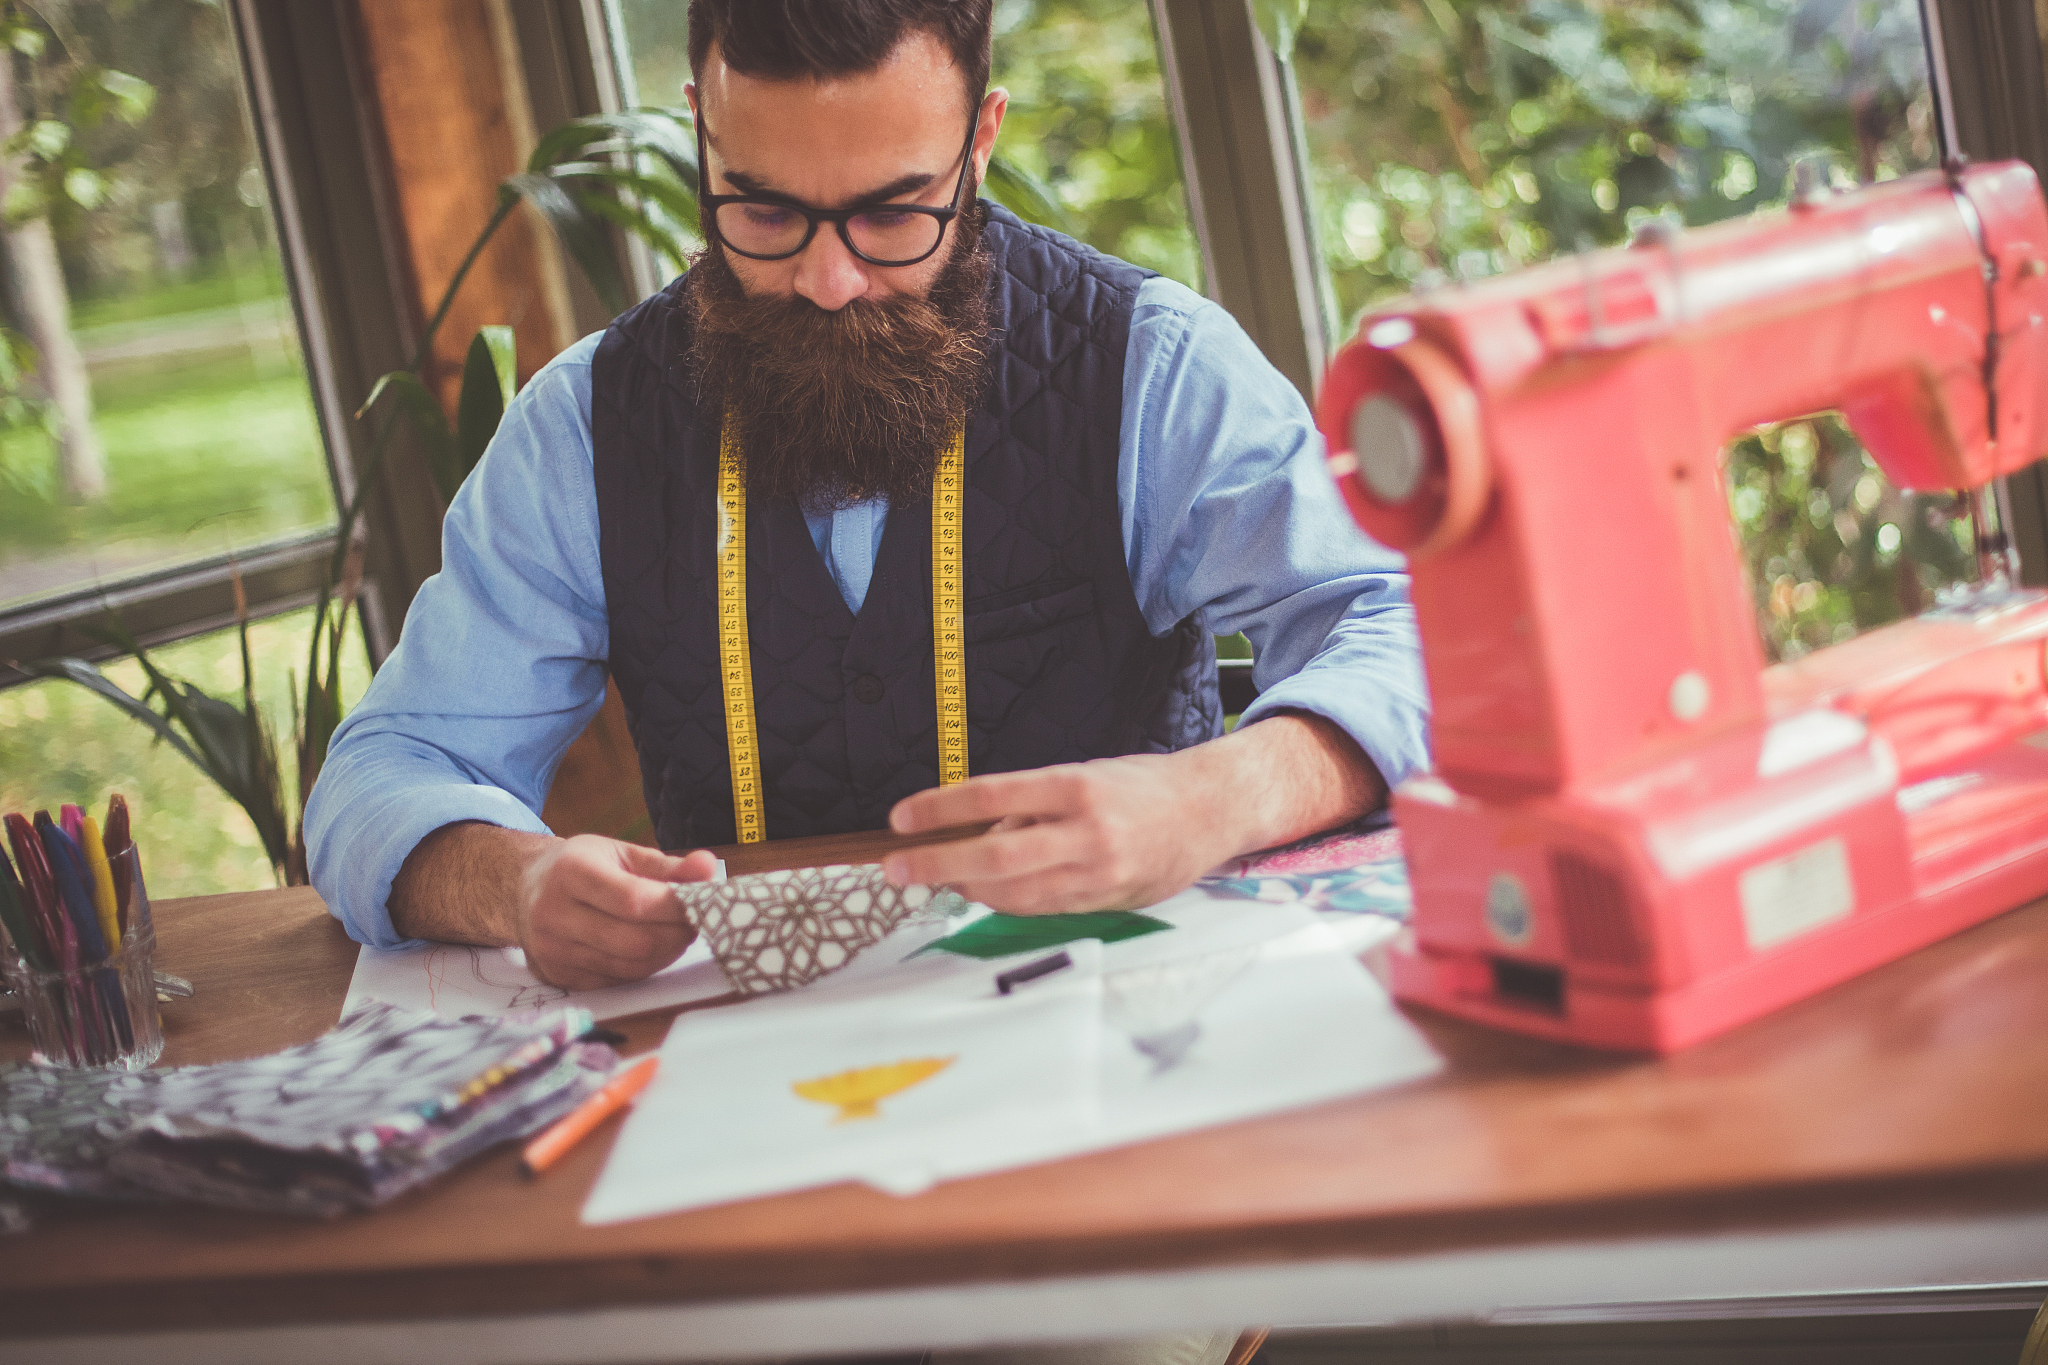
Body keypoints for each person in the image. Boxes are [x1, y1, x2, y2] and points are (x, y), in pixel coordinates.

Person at [305, 0, 1428, 996]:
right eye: (762, 211)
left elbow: (1404, 628)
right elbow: (386, 771)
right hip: (750, 1065)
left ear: (978, 142)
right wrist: (515, 881)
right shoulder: (580, 429)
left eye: (893, 215)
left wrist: (1209, 799)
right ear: (702, 131)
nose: (828, 282)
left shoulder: (1152, 365)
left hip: (1129, 1018)